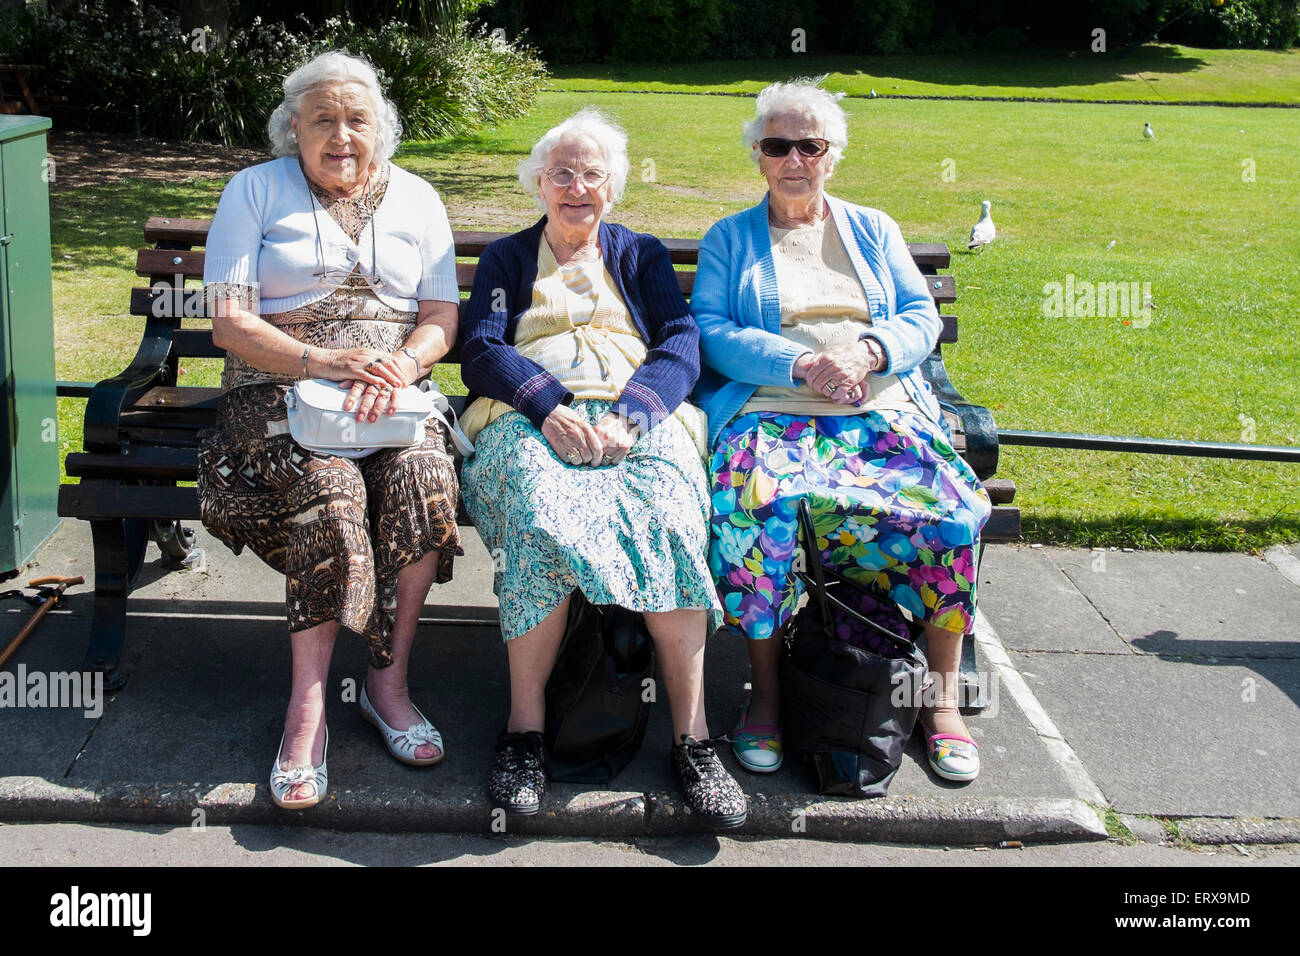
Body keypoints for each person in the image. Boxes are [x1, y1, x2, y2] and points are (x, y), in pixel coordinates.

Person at [692, 79, 992, 784]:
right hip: (770, 413)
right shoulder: (730, 238)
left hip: (876, 408)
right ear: (758, 155)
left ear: (832, 154)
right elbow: (711, 329)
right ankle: (767, 695)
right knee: (755, 508)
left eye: (810, 145)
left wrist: (867, 353)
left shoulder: (873, 228)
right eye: (777, 145)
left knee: (954, 513)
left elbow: (919, 316)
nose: (793, 159)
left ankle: (939, 699)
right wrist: (801, 364)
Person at [459, 109, 747, 829]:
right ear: (538, 183)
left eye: (592, 174)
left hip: (637, 417)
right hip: (529, 418)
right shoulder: (507, 259)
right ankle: (524, 733)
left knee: (672, 518)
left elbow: (679, 341)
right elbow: (482, 348)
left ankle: (694, 740)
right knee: (538, 517)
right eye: (561, 173)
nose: (576, 187)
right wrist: (548, 407)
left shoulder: (641, 256)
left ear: (613, 187)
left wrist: (633, 415)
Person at [199, 52, 462, 809]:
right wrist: (323, 360)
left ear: (381, 128)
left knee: (424, 478)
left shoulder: (418, 197)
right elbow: (229, 321)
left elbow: (441, 316)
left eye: (357, 120)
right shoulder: (254, 190)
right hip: (276, 391)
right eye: (323, 120)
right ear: (294, 129)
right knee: (330, 490)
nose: (341, 136)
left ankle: (387, 685)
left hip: (390, 395)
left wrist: (402, 365)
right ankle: (307, 711)